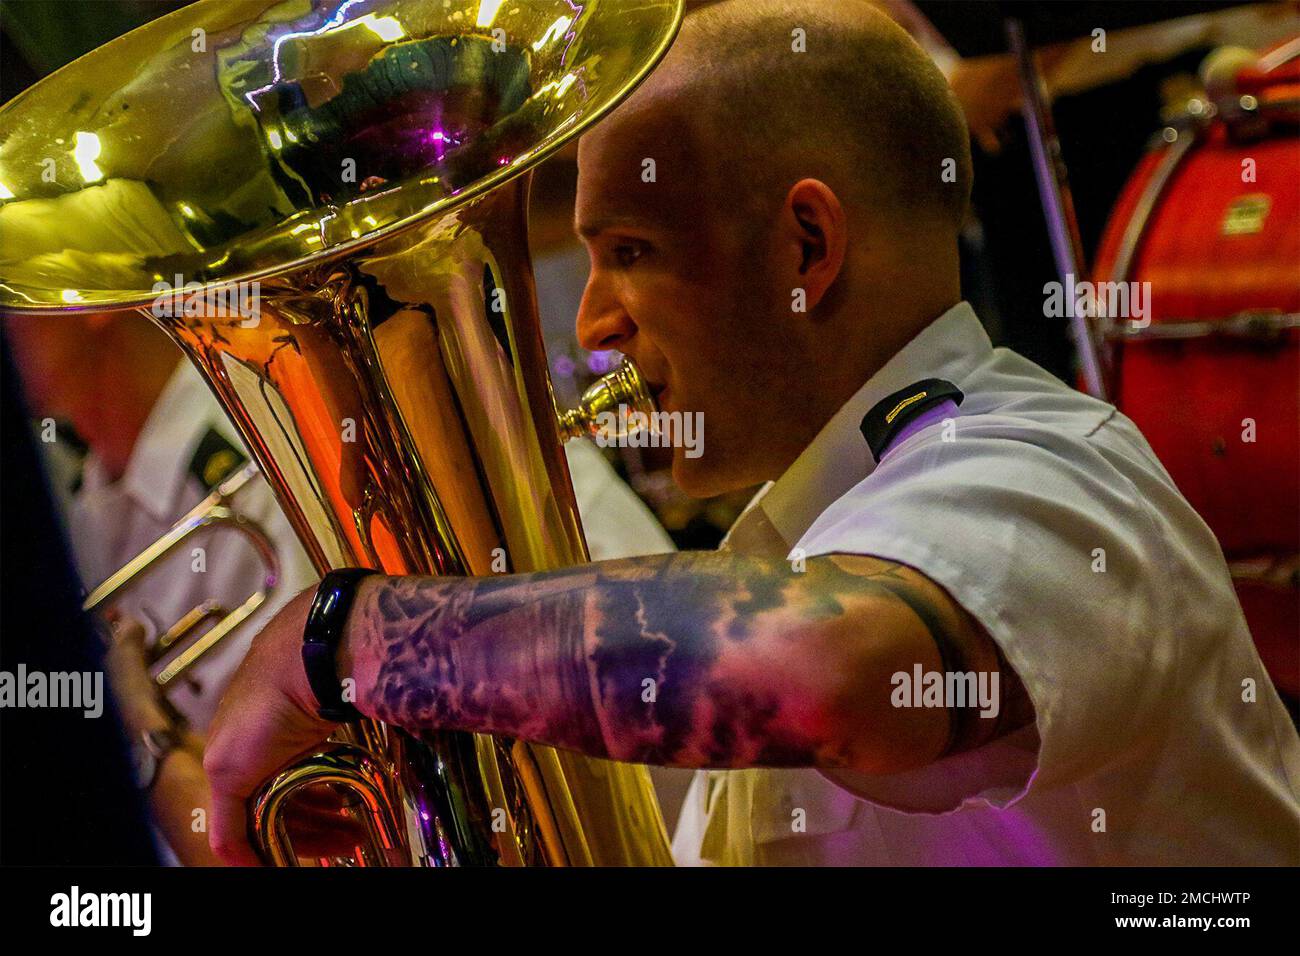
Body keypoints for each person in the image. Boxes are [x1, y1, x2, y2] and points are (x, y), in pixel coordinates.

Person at [201, 0, 1300, 867]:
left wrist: (351, 636)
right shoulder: (793, 539)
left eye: (628, 249)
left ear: (804, 248)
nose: (589, 326)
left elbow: (830, 666)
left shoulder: (1043, 467)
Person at [6, 313, 671, 864]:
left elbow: (321, 834)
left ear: (78, 302)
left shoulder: (263, 454)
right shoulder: (86, 505)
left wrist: (136, 730)